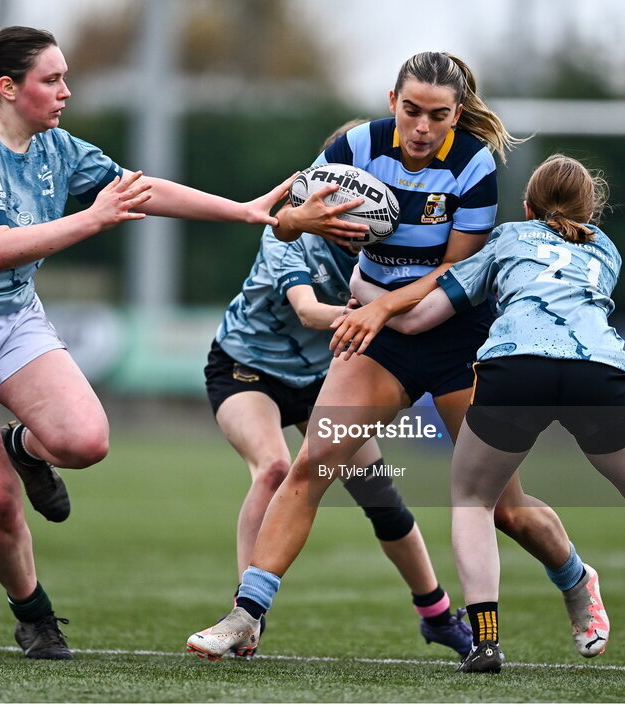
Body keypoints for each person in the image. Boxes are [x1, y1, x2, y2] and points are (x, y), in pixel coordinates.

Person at [0, 26, 300, 661]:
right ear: (7, 88)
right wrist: (93, 218)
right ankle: (36, 615)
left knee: (86, 441)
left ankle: (20, 443)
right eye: (52, 80)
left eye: (65, 77)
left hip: (12, 315)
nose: (66, 92)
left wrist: (243, 211)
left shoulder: (53, 146)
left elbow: (140, 189)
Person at [186, 52, 608, 663]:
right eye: (411, 111)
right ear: (392, 102)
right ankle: (246, 616)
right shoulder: (354, 147)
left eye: (438, 116)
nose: (421, 127)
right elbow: (281, 227)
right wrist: (295, 220)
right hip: (380, 338)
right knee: (311, 468)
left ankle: (575, 578)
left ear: (456, 114)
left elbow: (455, 270)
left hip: (456, 338)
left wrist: (380, 307)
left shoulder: (473, 163)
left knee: (506, 509)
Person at [350, 154, 625, 678]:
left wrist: (363, 289)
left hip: (516, 368)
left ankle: (485, 643)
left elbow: (418, 320)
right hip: (595, 370)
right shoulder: (605, 249)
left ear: (527, 206)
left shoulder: (507, 239)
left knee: (473, 501)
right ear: (591, 210)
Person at [199, 120, 473, 660]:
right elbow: (307, 310)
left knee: (378, 494)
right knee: (276, 468)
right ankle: (246, 616)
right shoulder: (291, 229)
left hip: (327, 372)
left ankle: (437, 615)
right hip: (247, 369)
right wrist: (375, 313)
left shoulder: (390, 236)